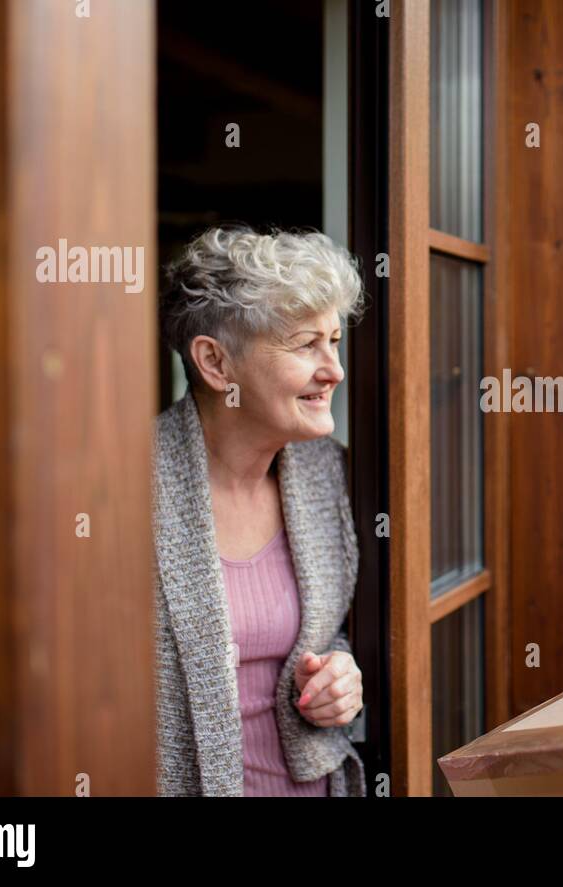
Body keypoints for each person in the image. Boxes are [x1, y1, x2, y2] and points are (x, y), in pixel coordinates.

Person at [151, 226, 366, 796]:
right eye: (305, 345)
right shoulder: (125, 490)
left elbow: (319, 636)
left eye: (335, 341)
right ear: (216, 364)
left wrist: (338, 678)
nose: (334, 370)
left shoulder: (326, 474)